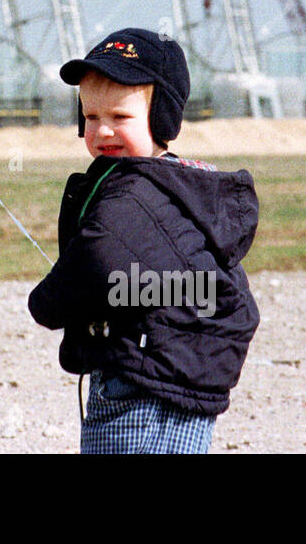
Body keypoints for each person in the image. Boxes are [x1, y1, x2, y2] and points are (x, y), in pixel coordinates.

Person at [28, 27, 260, 454]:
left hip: (133, 382)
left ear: (162, 120)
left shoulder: (134, 192)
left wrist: (45, 302)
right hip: (186, 380)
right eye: (92, 117)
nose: (103, 132)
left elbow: (99, 258)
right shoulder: (186, 185)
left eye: (120, 118)